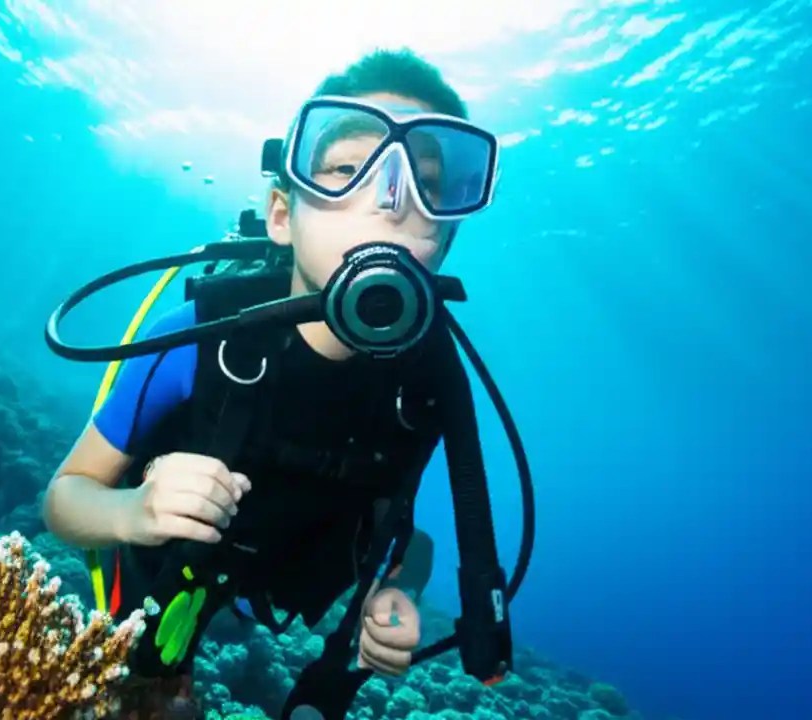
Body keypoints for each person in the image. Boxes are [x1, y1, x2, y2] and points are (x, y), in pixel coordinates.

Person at [44, 46, 508, 720]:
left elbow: (409, 535)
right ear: (283, 215)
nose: (391, 197)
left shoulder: (428, 377)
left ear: (447, 233)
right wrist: (131, 511)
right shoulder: (199, 336)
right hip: (181, 569)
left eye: (429, 183)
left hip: (302, 573)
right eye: (349, 167)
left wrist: (398, 590)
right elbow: (63, 497)